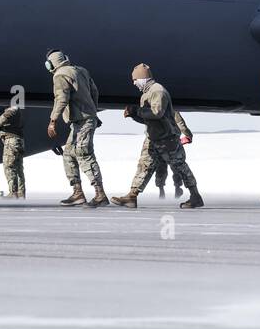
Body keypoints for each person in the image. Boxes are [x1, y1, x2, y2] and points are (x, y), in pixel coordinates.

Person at [112, 64, 203, 209]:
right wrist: (133, 114)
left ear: (143, 78)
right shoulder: (147, 94)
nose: (134, 83)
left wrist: (138, 111)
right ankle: (132, 196)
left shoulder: (157, 91)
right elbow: (148, 119)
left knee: (179, 167)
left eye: (135, 80)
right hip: (153, 137)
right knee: (144, 166)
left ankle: (195, 197)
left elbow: (157, 113)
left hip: (166, 138)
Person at [45, 49, 108, 207]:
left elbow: (61, 99)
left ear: (51, 64)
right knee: (68, 154)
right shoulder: (81, 70)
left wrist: (53, 120)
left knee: (84, 154)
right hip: (82, 120)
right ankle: (78, 193)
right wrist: (93, 110)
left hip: (83, 121)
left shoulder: (59, 75)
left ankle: (100, 194)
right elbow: (95, 91)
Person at [151, 110, 193, 199]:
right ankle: (177, 187)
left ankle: (161, 190)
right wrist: (189, 135)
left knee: (161, 167)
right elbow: (181, 124)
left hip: (158, 143)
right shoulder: (173, 110)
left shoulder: (154, 109)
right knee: (176, 166)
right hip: (172, 142)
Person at [0, 105, 26, 199]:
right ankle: (21, 192)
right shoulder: (18, 112)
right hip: (19, 140)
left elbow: (8, 115)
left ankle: (13, 192)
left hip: (11, 140)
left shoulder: (13, 109)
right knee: (18, 167)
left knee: (9, 166)